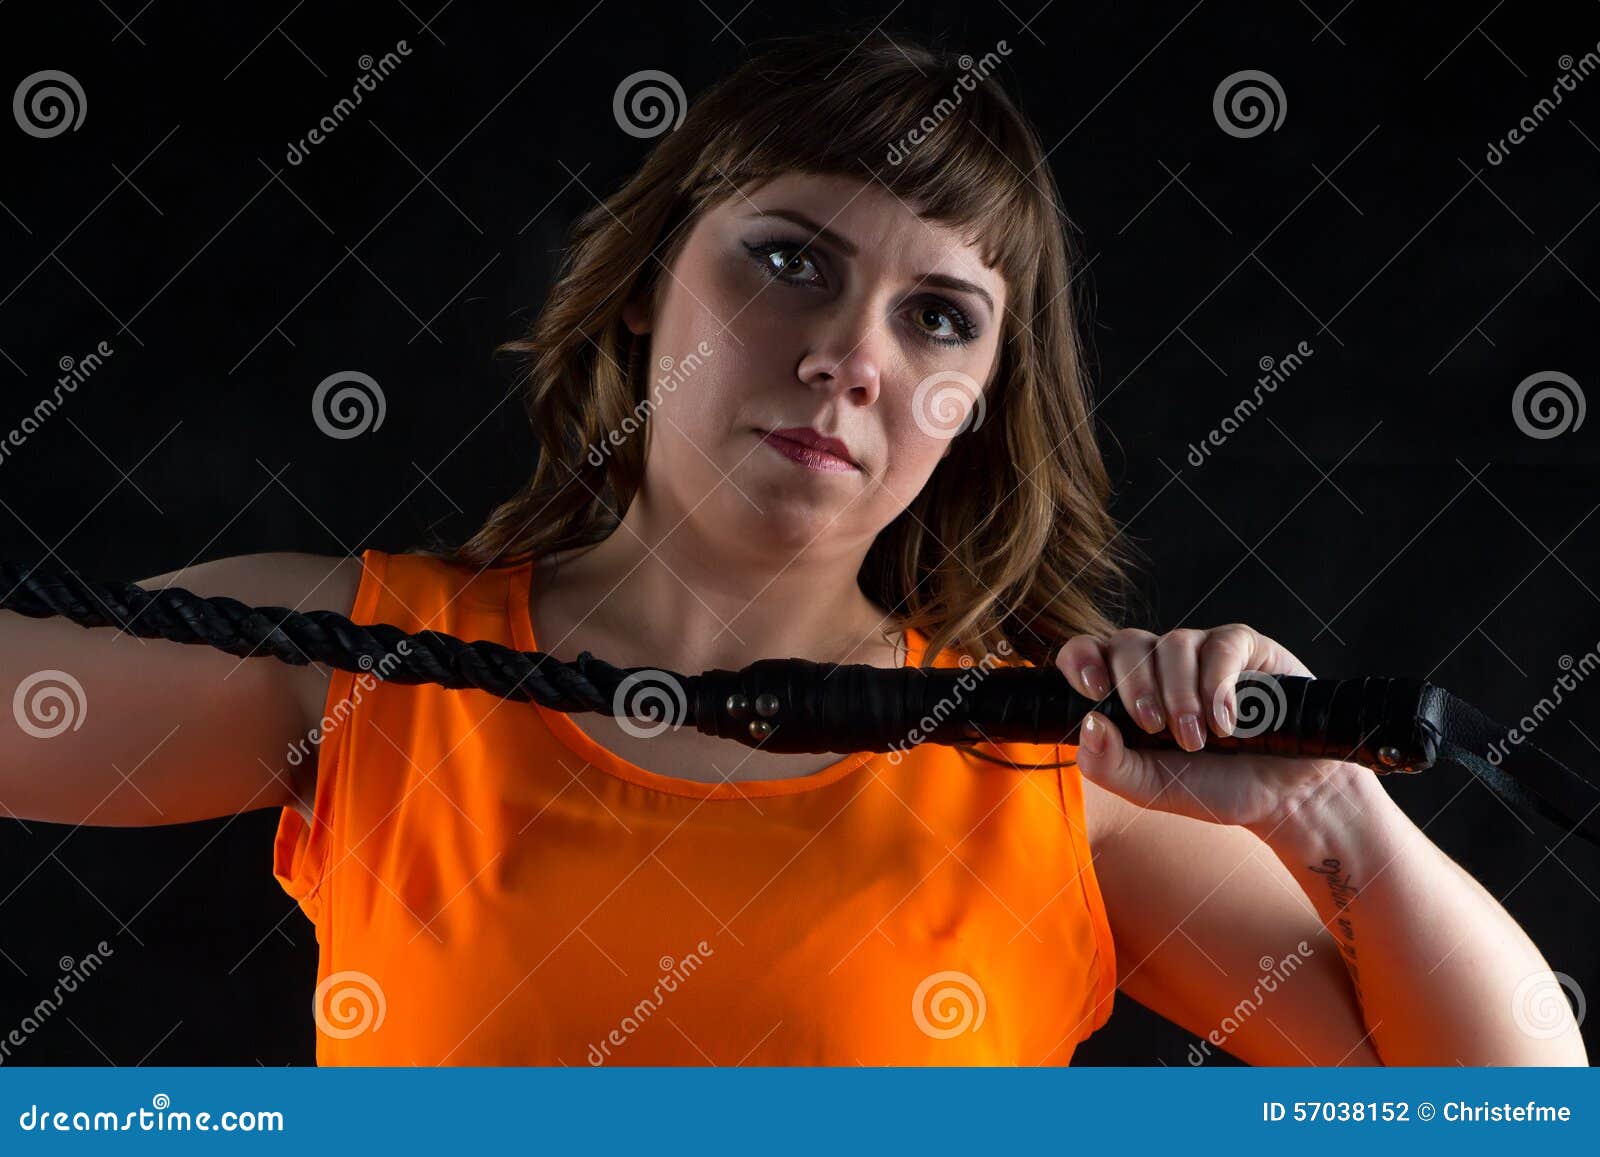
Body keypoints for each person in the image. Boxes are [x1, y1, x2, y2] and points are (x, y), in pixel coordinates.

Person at [2, 30, 1585, 1068]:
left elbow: (1509, 1112)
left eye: (937, 317)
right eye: (786, 262)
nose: (850, 357)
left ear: (973, 404)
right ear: (644, 290)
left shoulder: (1059, 775)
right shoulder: (361, 665)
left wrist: (1330, 812)